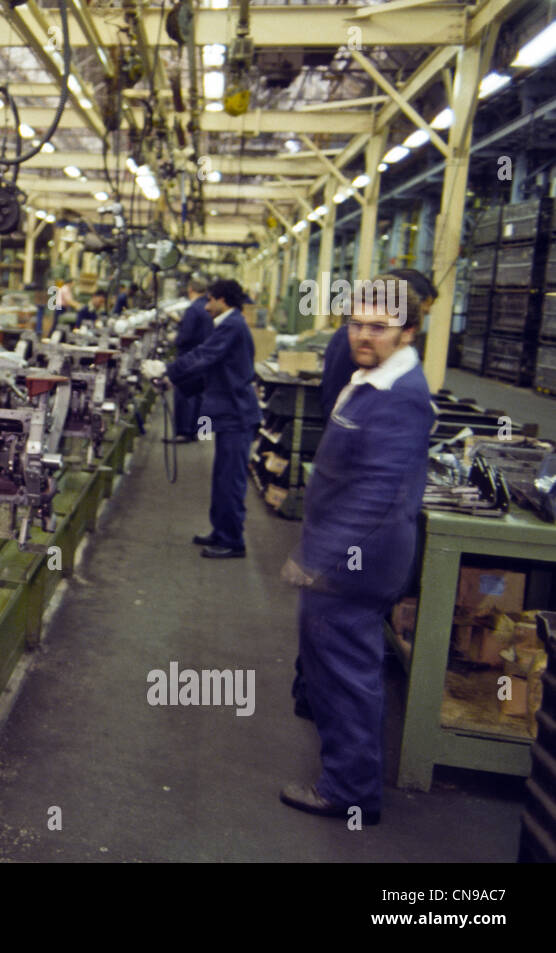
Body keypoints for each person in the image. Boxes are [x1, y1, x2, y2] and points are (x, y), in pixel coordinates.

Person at [279, 275, 435, 825]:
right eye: (357, 324)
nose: (363, 336)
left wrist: (317, 557)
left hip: (356, 560)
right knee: (334, 667)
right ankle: (346, 774)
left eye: (378, 327)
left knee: (346, 674)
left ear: (409, 332)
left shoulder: (399, 397)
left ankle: (349, 792)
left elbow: (375, 496)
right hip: (348, 556)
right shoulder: (371, 377)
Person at [142, 278, 261, 558]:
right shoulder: (230, 325)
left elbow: (204, 356)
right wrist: (176, 383)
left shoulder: (232, 326)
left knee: (230, 481)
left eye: (210, 300)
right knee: (222, 478)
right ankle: (221, 531)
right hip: (230, 415)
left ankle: (233, 541)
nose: (206, 307)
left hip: (238, 416)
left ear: (223, 300)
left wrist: (167, 369)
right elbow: (213, 370)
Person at [319, 268, 435, 418]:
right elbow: (334, 396)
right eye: (422, 312)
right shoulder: (352, 340)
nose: (420, 320)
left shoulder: (400, 385)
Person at [166, 276, 214, 443]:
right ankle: (199, 431)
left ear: (190, 289)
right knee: (200, 396)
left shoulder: (193, 308)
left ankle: (183, 432)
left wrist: (174, 339)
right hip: (203, 357)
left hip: (189, 357)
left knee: (184, 395)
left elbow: (185, 337)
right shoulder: (207, 307)